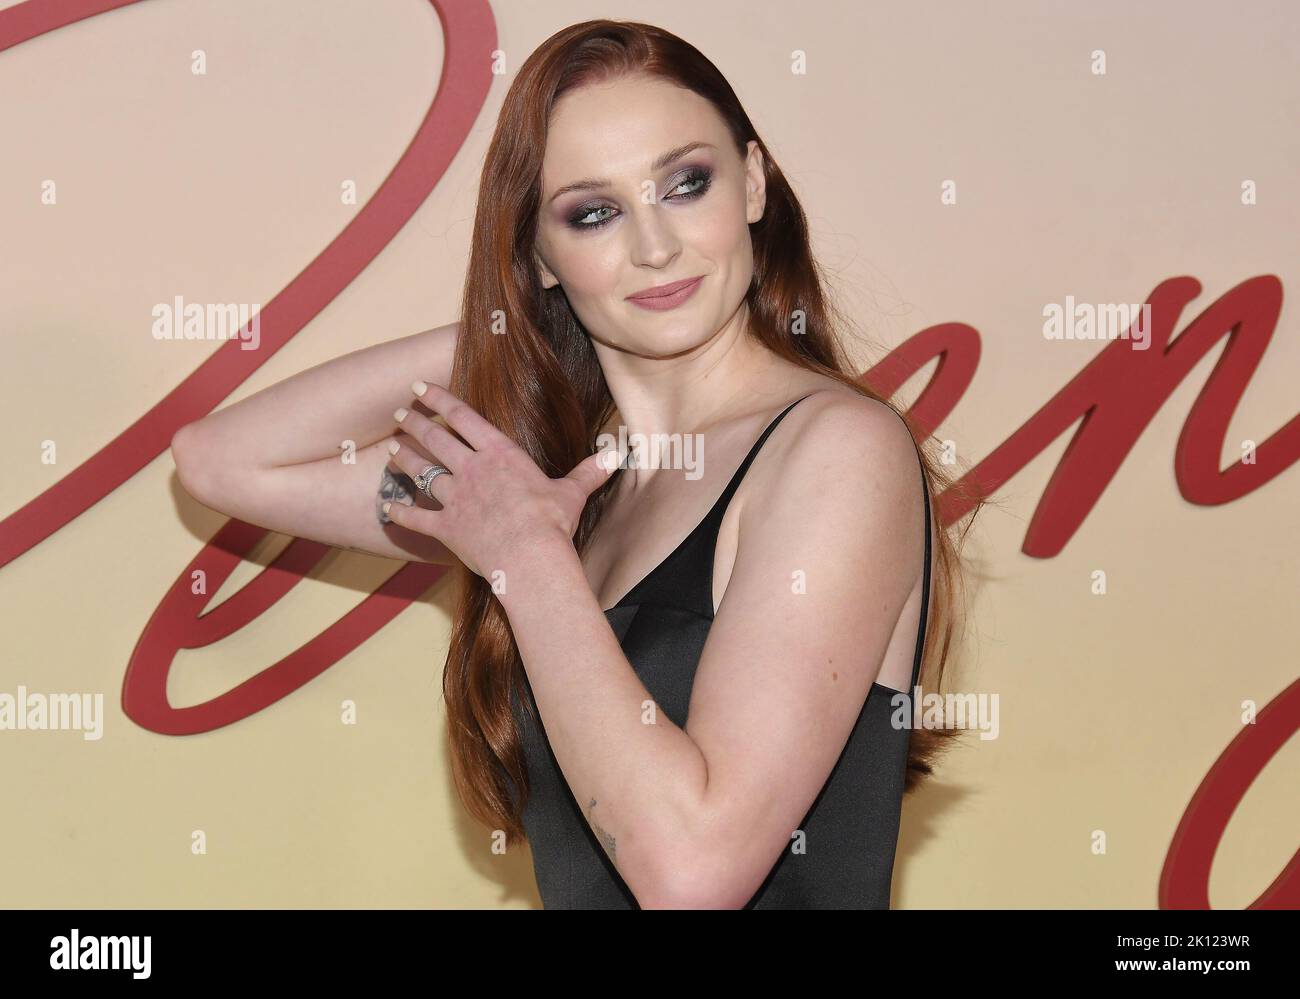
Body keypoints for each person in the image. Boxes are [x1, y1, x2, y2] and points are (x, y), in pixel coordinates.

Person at [171, 19, 974, 909]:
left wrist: (525, 557)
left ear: (752, 183)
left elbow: (694, 874)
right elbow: (223, 461)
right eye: (593, 214)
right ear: (540, 257)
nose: (654, 247)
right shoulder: (558, 480)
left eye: (685, 184)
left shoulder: (835, 448)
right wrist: (511, 331)